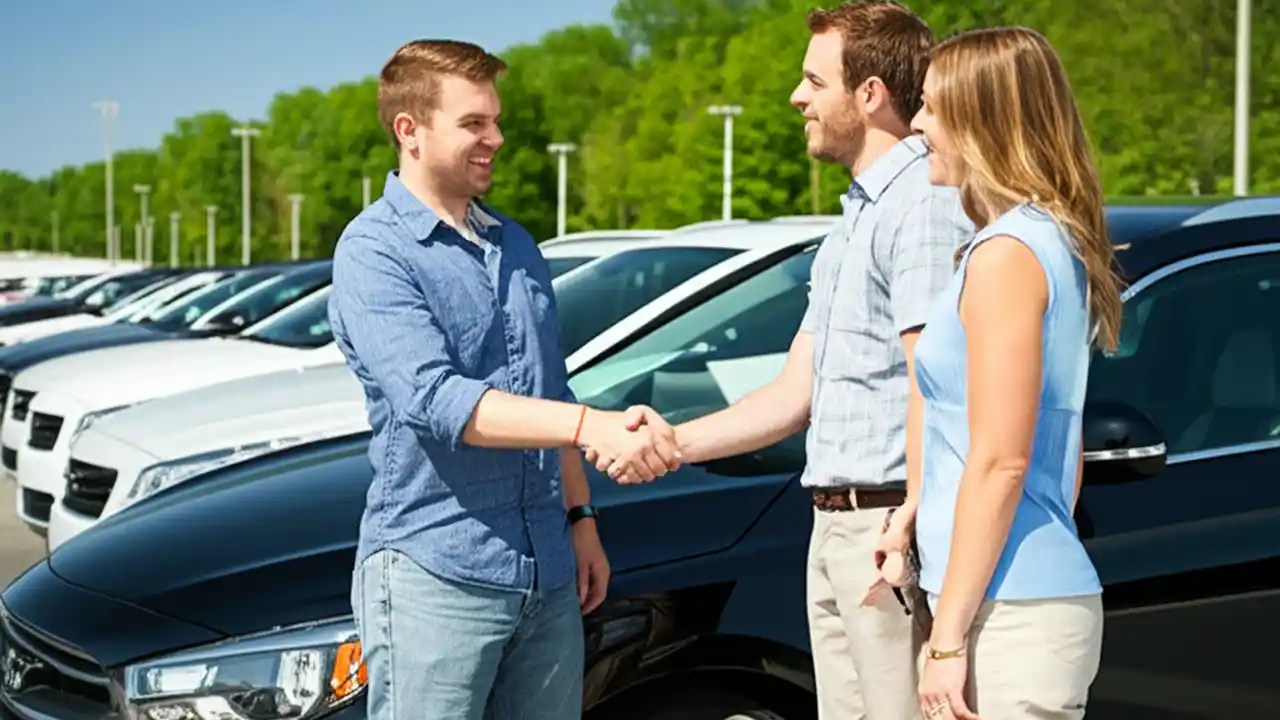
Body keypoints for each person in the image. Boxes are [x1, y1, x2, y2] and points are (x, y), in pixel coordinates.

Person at [591, 3, 972, 718]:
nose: (798, 97)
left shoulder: (921, 205)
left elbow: (937, 380)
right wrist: (671, 443)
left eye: (813, 80)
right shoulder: (855, 219)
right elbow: (796, 391)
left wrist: (911, 521)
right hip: (834, 525)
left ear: (869, 94)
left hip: (887, 527)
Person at [327, 39, 681, 720]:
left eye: (495, 120)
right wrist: (593, 428)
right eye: (473, 124)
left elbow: (551, 391)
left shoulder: (516, 245)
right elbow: (439, 402)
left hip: (546, 574)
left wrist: (581, 520)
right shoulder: (373, 252)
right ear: (410, 130)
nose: (496, 138)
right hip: (438, 575)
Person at [907, 26, 1124, 720]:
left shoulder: (1008, 254)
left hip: (1011, 612)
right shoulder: (1040, 242)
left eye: (932, 108)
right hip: (1010, 600)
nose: (917, 125)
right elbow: (1060, 456)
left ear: (984, 121)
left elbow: (1002, 460)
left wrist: (945, 643)